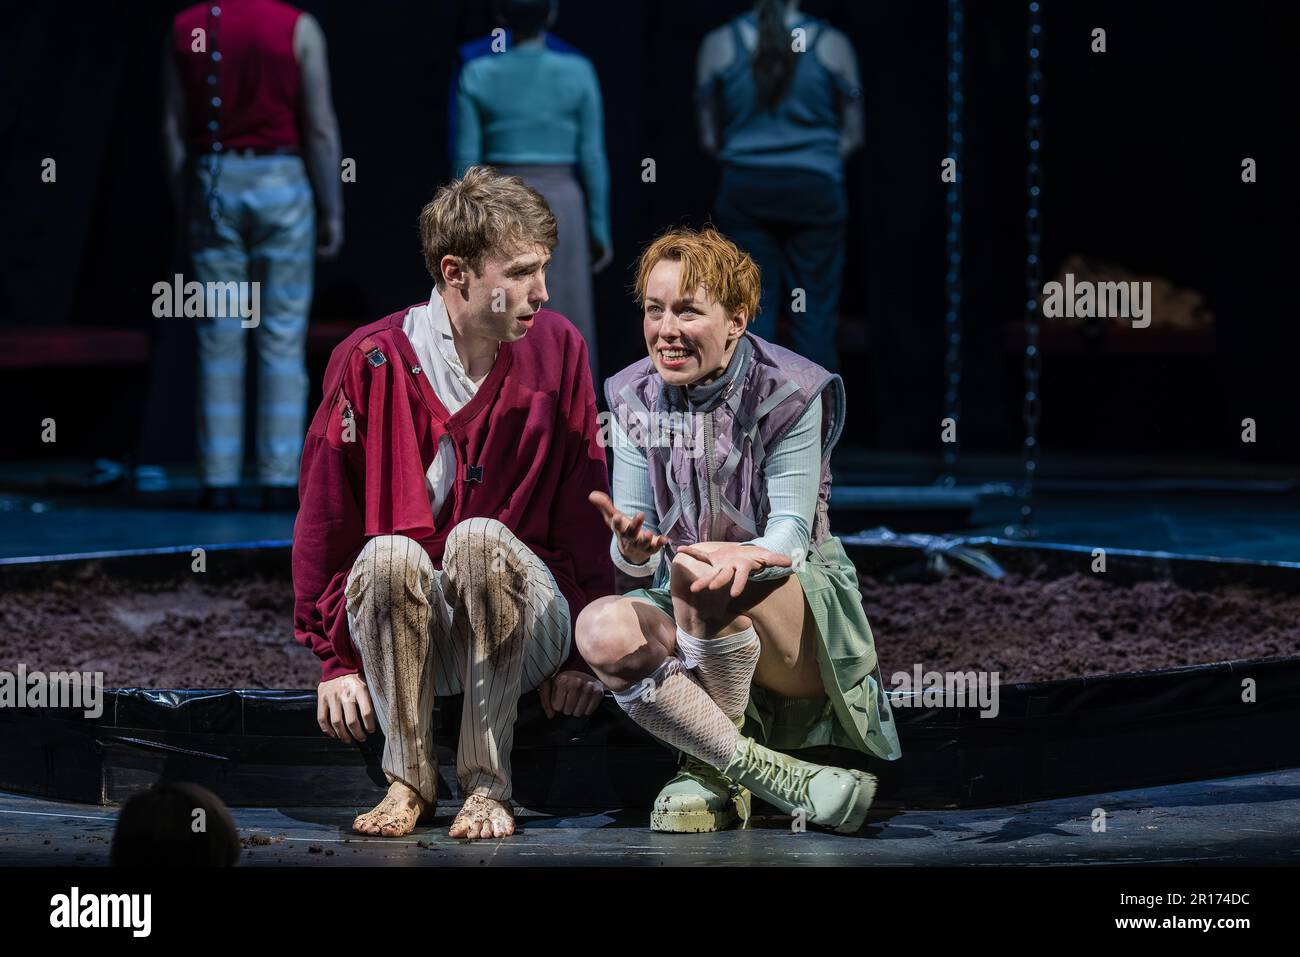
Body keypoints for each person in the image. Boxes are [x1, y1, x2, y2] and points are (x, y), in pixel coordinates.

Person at [292, 166, 613, 841]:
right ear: (456, 272)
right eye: (521, 272)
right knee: (386, 554)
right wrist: (335, 661)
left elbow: (586, 516)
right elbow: (325, 519)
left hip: (526, 622)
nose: (542, 292)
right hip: (409, 633)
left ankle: (489, 783)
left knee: (480, 539)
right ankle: (409, 779)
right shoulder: (368, 360)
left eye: (543, 270)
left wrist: (587, 650)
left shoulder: (560, 352)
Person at [576, 226, 901, 833]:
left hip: (791, 604)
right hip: (687, 590)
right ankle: (757, 772)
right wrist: (631, 549)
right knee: (600, 626)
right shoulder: (629, 395)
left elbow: (789, 536)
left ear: (736, 320)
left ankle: (711, 776)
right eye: (654, 310)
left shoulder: (792, 390)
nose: (666, 329)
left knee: (697, 572)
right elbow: (639, 557)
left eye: (688, 311)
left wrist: (732, 557)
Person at [163, 0, 343, 509]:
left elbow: (173, 130)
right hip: (280, 182)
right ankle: (278, 478)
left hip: (214, 182)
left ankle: (218, 480)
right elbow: (321, 128)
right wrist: (332, 211)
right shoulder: (297, 26)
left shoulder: (185, 26)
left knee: (219, 334)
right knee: (281, 337)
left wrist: (189, 208)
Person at [696, 0, 864, 373]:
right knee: (815, 315)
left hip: (746, 191)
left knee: (751, 312)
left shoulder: (721, 43)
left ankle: (754, 424)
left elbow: (709, 139)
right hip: (815, 192)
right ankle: (817, 424)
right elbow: (853, 135)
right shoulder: (831, 44)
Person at [454, 0, 611, 383]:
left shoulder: (478, 72)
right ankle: (570, 419)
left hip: (499, 207)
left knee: (502, 310)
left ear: (501, 17)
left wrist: (462, 232)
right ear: (552, 14)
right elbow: (592, 157)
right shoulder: (578, 71)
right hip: (564, 210)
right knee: (567, 316)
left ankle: (505, 415)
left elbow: (464, 165)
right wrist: (599, 228)